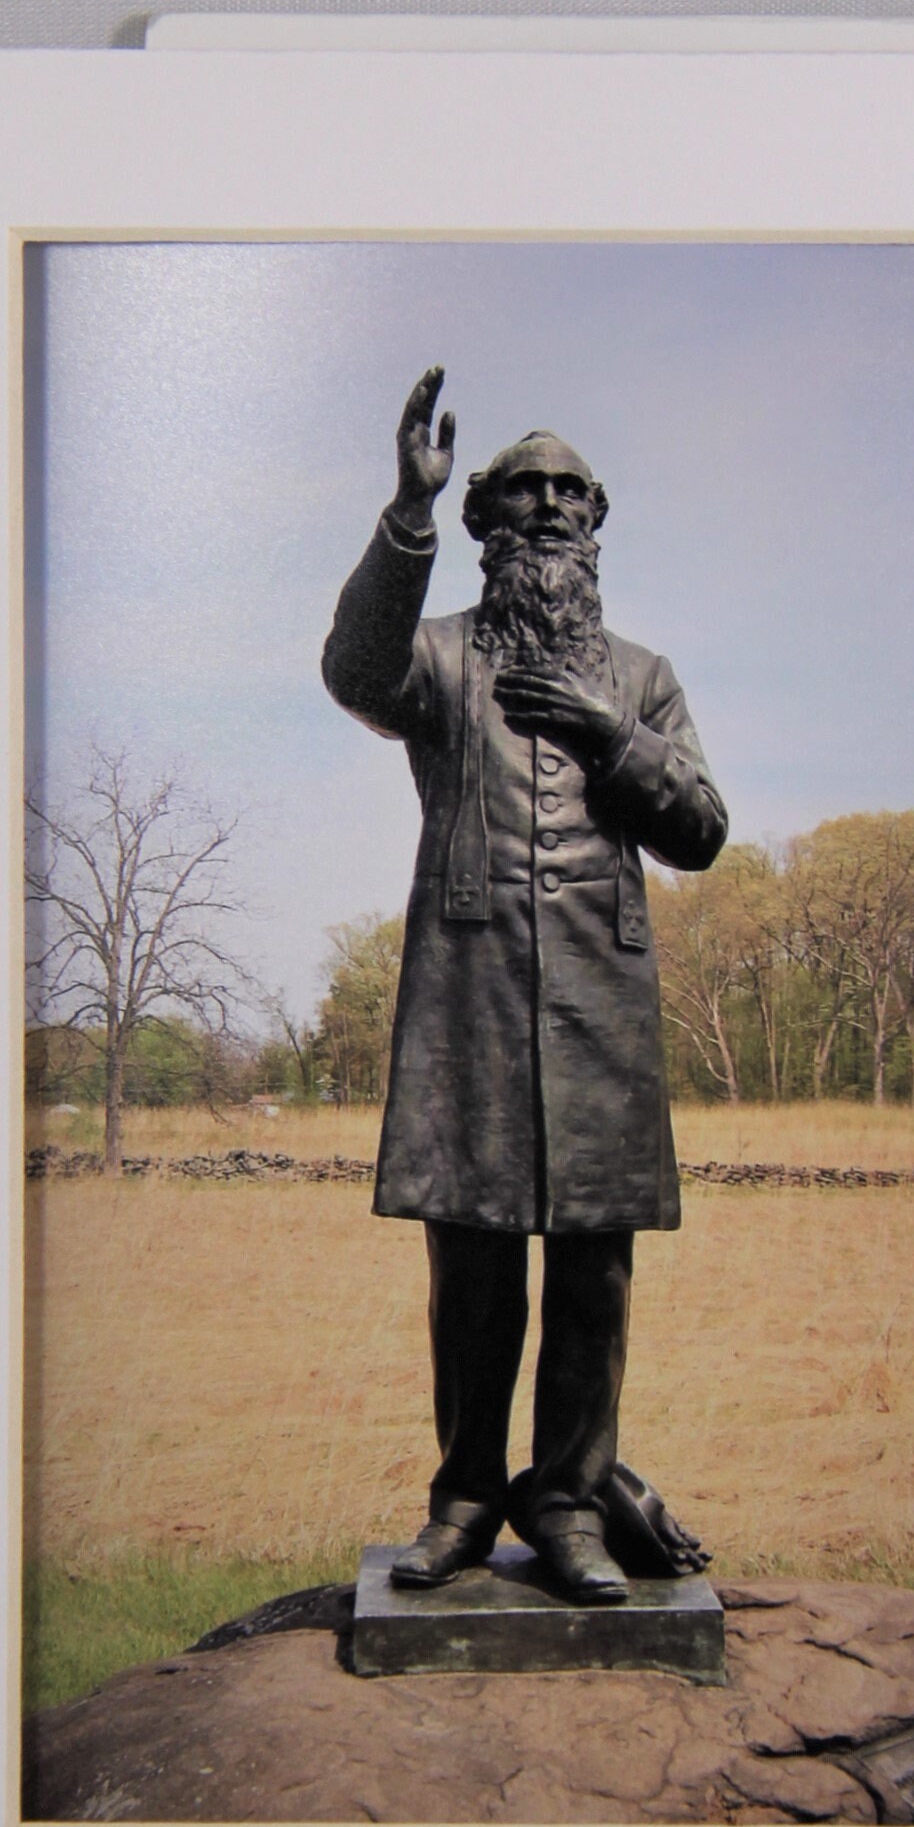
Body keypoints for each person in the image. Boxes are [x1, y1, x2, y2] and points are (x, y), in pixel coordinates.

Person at [322, 367, 729, 1603]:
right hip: (472, 1001)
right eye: (524, 492)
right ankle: (462, 1496)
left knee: (594, 1272)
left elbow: (702, 829)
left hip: (601, 1011)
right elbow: (353, 671)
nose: (549, 508)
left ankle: (565, 1503)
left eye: (570, 494)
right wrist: (408, 515)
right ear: (489, 519)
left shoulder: (643, 674)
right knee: (476, 1268)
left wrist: (614, 737)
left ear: (594, 522)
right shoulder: (440, 662)